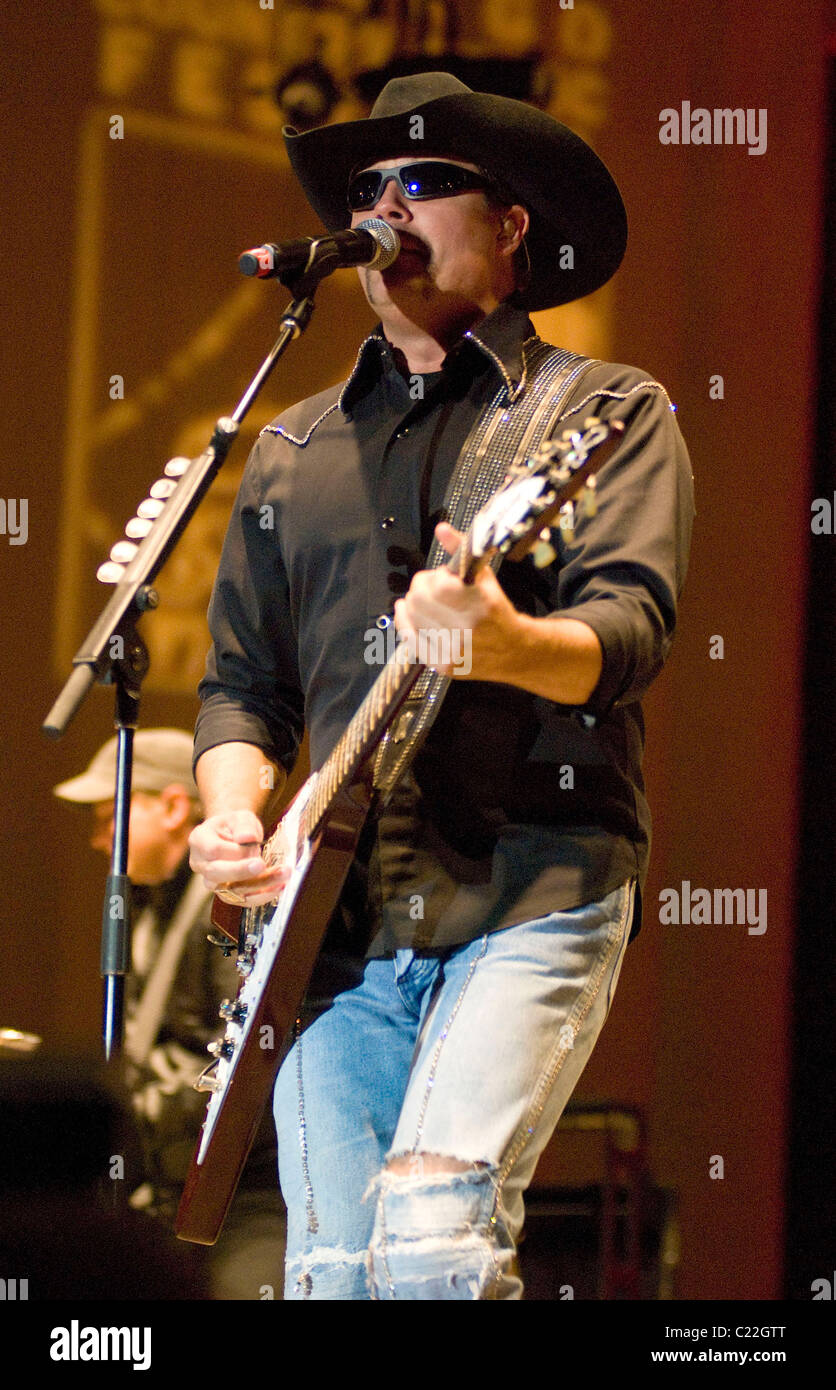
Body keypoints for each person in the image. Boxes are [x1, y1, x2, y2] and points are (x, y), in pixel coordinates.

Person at [188, 71, 695, 1300]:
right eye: (366, 191)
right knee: (328, 1267)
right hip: (330, 921)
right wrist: (232, 811)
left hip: (533, 881)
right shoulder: (289, 449)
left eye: (422, 180)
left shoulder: (602, 414)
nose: (386, 209)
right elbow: (241, 685)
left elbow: (627, 630)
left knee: (433, 1232)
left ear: (511, 223)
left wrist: (499, 642)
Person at [54, 727, 285, 1298]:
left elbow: (253, 1063)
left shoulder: (231, 906)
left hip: (246, 1200)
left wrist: (123, 1106)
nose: (97, 839)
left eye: (110, 816)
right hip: (174, 1195)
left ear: (174, 807)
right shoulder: (145, 903)